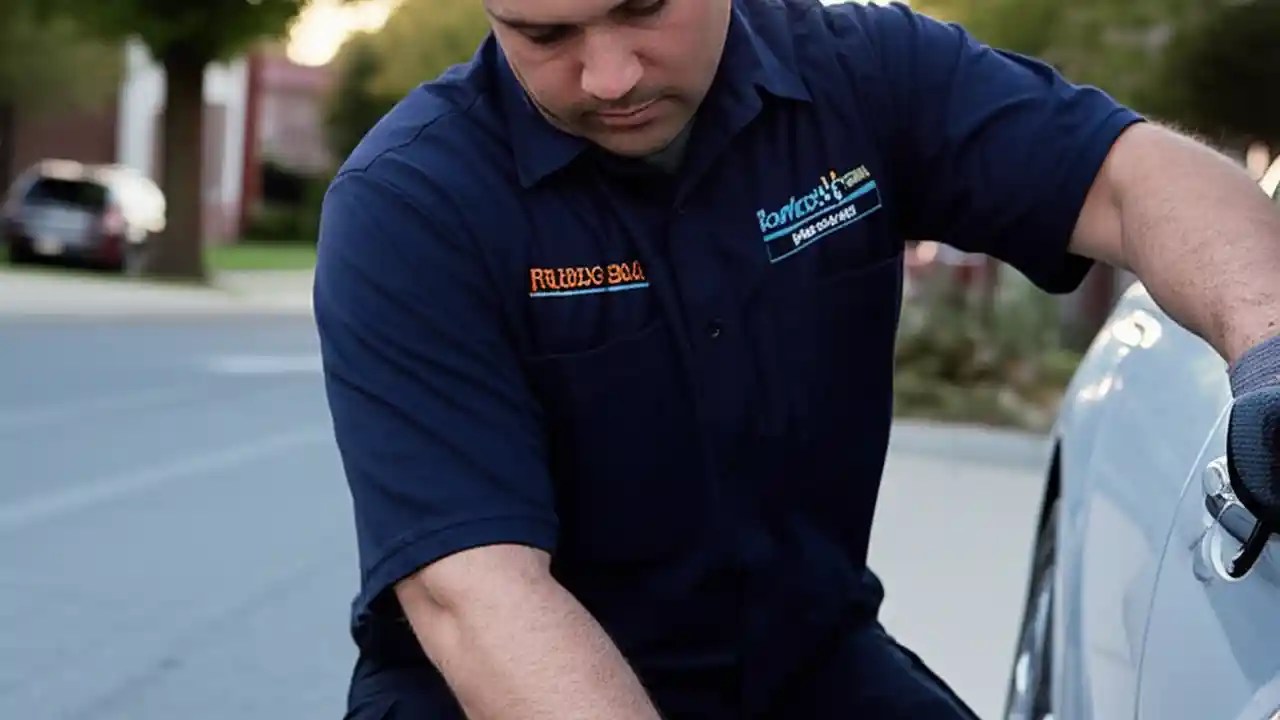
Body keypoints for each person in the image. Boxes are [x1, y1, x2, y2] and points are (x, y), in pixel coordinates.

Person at [313, 0, 1280, 717]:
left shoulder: (863, 73)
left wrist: (1271, 358)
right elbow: (479, 598)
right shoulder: (411, 205)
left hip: (803, 665)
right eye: (545, 35)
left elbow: (1133, 179)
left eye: (643, 7)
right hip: (511, 688)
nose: (608, 76)